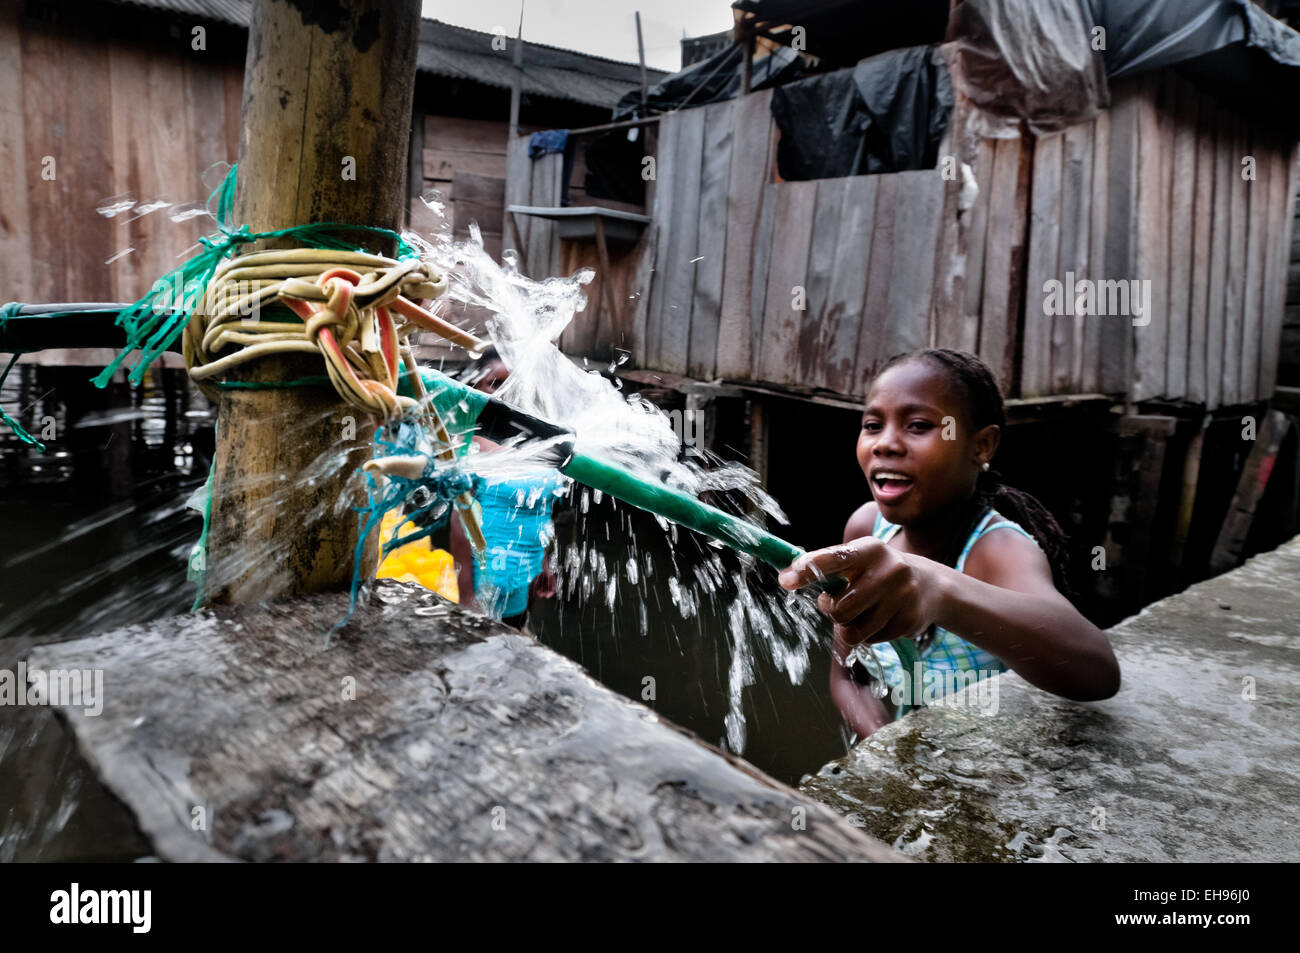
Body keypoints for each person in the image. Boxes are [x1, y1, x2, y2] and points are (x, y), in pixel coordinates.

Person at [778, 348, 1120, 737]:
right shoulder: (866, 529)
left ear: (982, 446)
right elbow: (848, 676)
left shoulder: (997, 550)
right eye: (873, 425)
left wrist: (941, 591)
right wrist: (883, 744)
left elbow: (1099, 672)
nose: (884, 444)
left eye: (919, 425)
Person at [448, 348, 561, 631]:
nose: (506, 393)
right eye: (495, 384)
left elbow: (539, 506)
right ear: (476, 386)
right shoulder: (468, 442)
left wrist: (544, 563)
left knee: (516, 639)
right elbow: (460, 522)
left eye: (513, 384)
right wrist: (466, 595)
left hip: (525, 573)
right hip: (485, 579)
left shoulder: (538, 437)